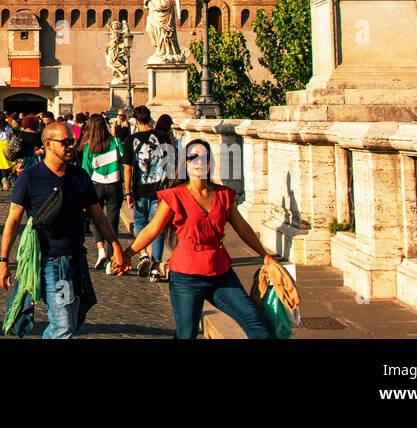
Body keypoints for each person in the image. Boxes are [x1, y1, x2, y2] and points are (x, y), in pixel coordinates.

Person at [123, 139, 296, 339]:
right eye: (192, 157)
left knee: (258, 326)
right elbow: (152, 229)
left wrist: (264, 256)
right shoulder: (175, 196)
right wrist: (127, 254)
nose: (198, 162)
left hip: (221, 274)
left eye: (204, 157)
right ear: (185, 164)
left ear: (210, 163)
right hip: (186, 278)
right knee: (186, 335)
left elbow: (243, 228)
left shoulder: (224, 195)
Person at [0, 122, 125, 338]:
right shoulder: (29, 177)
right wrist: (3, 262)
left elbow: (98, 216)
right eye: (65, 142)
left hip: (77, 261)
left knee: (69, 323)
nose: (70, 147)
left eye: (72, 142)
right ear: (48, 144)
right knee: (63, 326)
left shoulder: (80, 176)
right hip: (52, 263)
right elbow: (12, 220)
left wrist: (116, 246)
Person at [77, 113, 131, 274]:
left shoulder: (89, 146)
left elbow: (86, 170)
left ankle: (100, 249)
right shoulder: (115, 141)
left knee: (95, 219)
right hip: (114, 185)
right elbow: (122, 159)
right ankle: (111, 257)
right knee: (112, 222)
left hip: (96, 185)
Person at [128, 107, 173, 280]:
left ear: (136, 121)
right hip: (160, 191)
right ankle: (155, 265)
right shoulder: (161, 136)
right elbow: (171, 163)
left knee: (140, 222)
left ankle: (144, 254)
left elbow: (128, 168)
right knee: (158, 226)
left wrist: (127, 192)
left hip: (139, 191)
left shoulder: (131, 140)